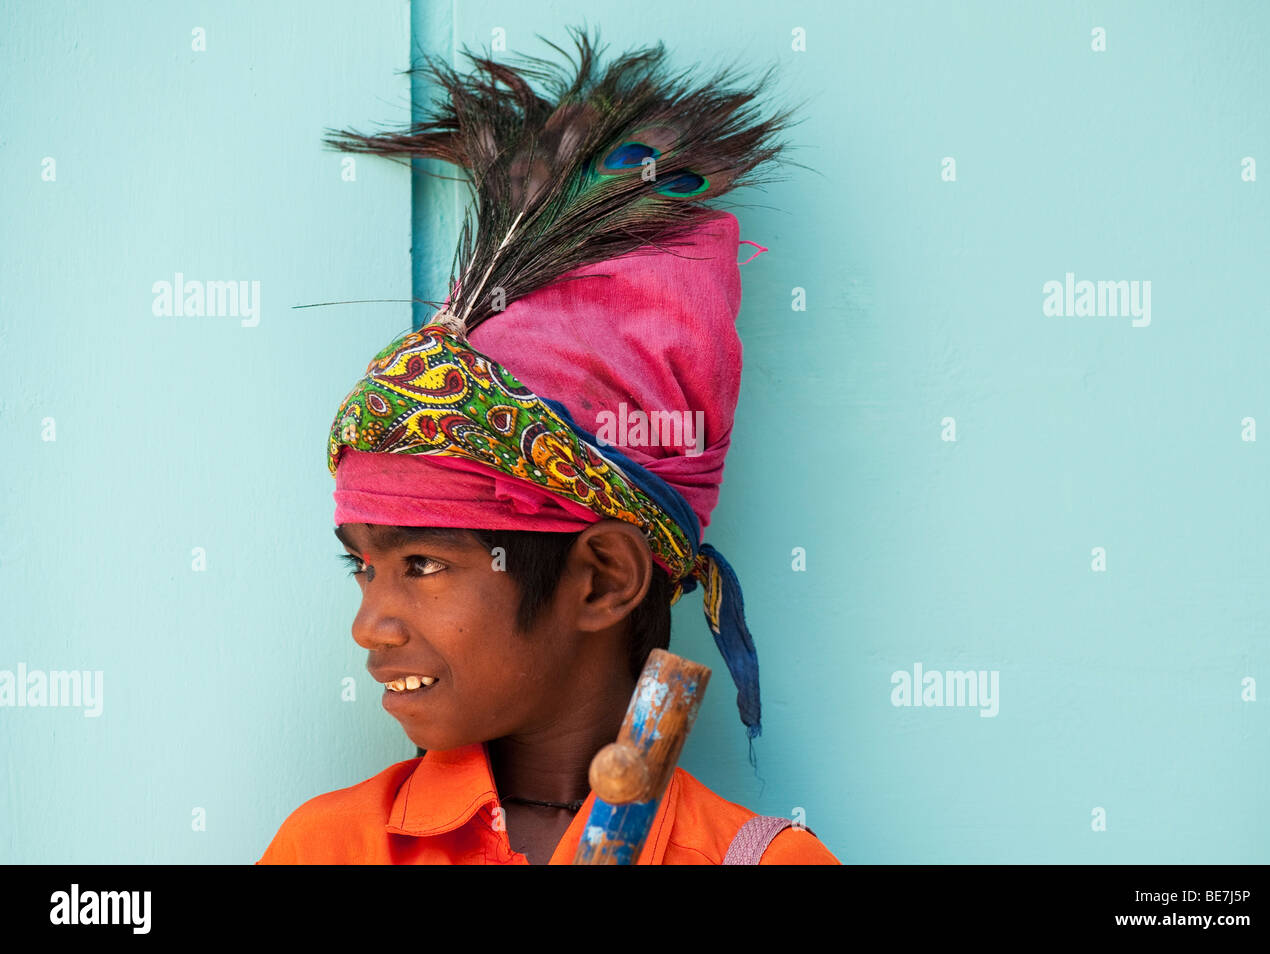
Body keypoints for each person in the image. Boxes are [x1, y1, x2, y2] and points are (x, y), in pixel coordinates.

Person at [257, 27, 839, 865]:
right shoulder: (330, 848)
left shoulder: (757, 861)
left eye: (421, 564)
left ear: (601, 579)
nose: (369, 625)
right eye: (364, 564)